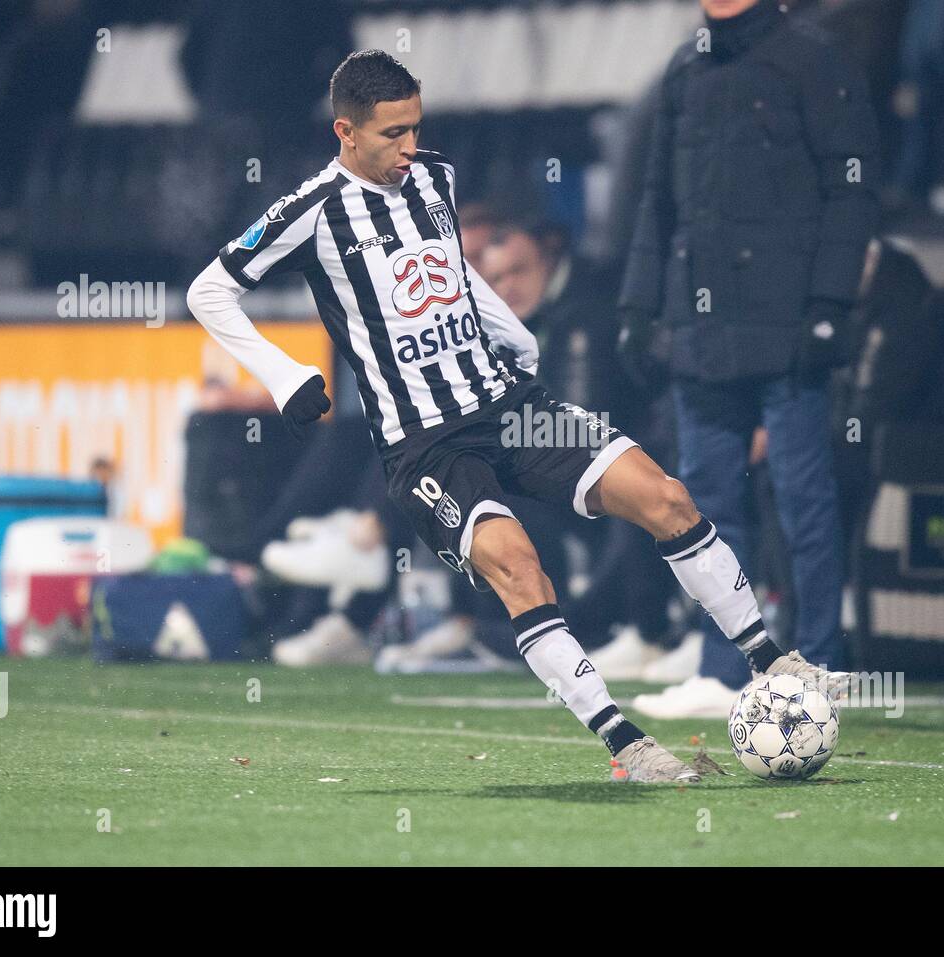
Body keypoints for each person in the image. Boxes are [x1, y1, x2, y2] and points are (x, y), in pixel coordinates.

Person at [187, 49, 847, 783]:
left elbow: (453, 265)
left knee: (665, 496)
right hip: (428, 446)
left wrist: (511, 333)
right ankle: (627, 743)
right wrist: (285, 376)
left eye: (416, 126)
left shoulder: (433, 174)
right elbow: (209, 291)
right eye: (391, 134)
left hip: (506, 406)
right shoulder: (311, 211)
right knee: (520, 566)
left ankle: (769, 657)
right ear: (345, 131)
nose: (410, 146)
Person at [617, 0, 879, 718]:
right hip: (701, 329)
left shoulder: (815, 56)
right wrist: (640, 307)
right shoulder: (686, 65)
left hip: (789, 324)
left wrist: (829, 307)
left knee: (804, 500)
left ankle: (822, 662)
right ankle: (722, 667)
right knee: (703, 506)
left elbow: (851, 190)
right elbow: (657, 201)